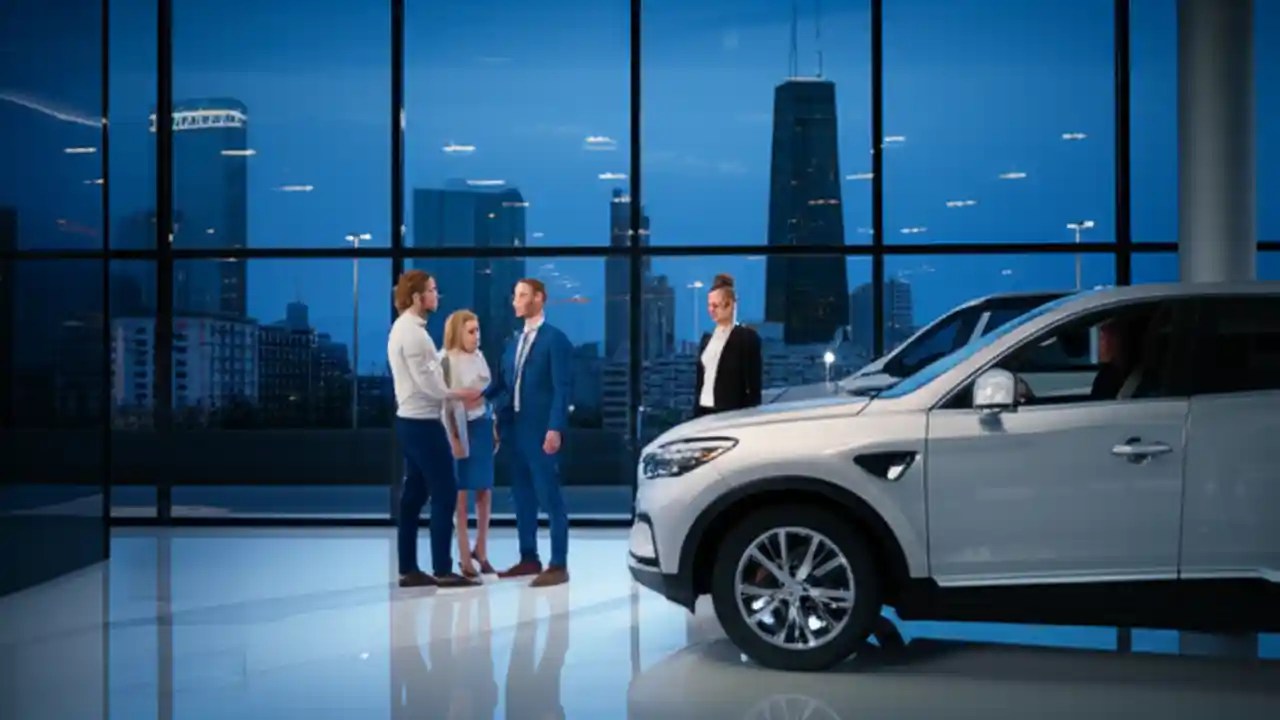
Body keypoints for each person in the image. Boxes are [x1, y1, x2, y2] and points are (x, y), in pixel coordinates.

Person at [386, 269, 482, 589]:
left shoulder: (404, 330)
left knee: (413, 496)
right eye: (432, 290)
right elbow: (429, 386)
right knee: (445, 492)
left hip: (409, 421)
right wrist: (460, 393)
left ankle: (409, 568)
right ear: (417, 297)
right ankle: (442, 568)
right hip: (423, 424)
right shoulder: (414, 335)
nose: (436, 295)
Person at [485, 278, 573, 587]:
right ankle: (528, 558)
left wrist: (555, 428)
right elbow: (501, 386)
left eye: (521, 295)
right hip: (514, 430)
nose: (515, 301)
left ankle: (559, 564)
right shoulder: (512, 344)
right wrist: (475, 398)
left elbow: (563, 389)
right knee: (521, 496)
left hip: (541, 431)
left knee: (550, 497)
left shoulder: (555, 340)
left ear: (539, 298)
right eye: (515, 295)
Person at [441, 309, 499, 580]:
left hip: (483, 425)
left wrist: (494, 425)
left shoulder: (479, 357)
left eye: (478, 331)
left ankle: (482, 551)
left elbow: (486, 396)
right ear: (457, 332)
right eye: (471, 331)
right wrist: (452, 437)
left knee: (485, 491)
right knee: (461, 496)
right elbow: (443, 403)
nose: (477, 336)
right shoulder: (446, 360)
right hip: (461, 428)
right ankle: (464, 558)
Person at [693, 273, 763, 417]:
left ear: (730, 305)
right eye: (709, 305)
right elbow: (700, 382)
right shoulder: (707, 339)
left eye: (716, 305)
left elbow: (754, 385)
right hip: (703, 412)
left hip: (730, 413)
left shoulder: (746, 338)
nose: (711, 310)